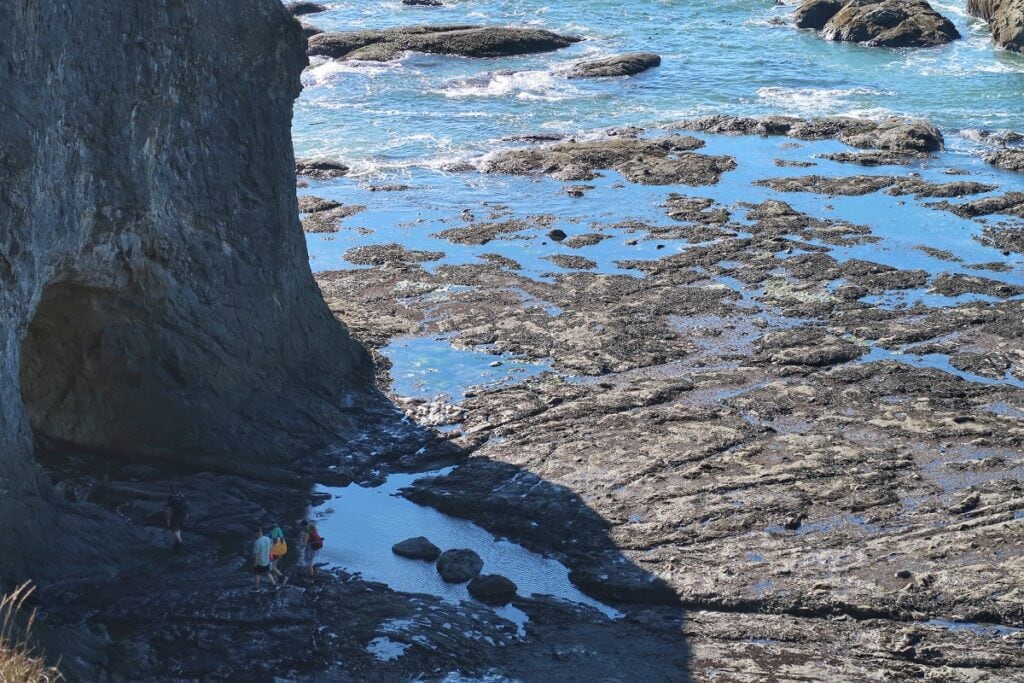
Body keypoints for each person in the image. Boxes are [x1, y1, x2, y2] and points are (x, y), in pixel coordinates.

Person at [251, 526, 278, 592]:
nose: (254, 535)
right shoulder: (267, 539)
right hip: (267, 560)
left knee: (257, 574)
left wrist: (254, 564)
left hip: (260, 562)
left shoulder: (257, 543)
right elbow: (270, 548)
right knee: (268, 573)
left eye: (254, 534)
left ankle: (256, 588)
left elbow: (256, 555)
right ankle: (274, 585)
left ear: (257, 533)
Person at [298, 520, 323, 584]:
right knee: (311, 561)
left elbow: (305, 544)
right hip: (314, 549)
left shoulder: (306, 533)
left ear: (303, 526)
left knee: (309, 564)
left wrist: (299, 548)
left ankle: (310, 580)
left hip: (309, 549)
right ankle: (316, 571)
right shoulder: (313, 530)